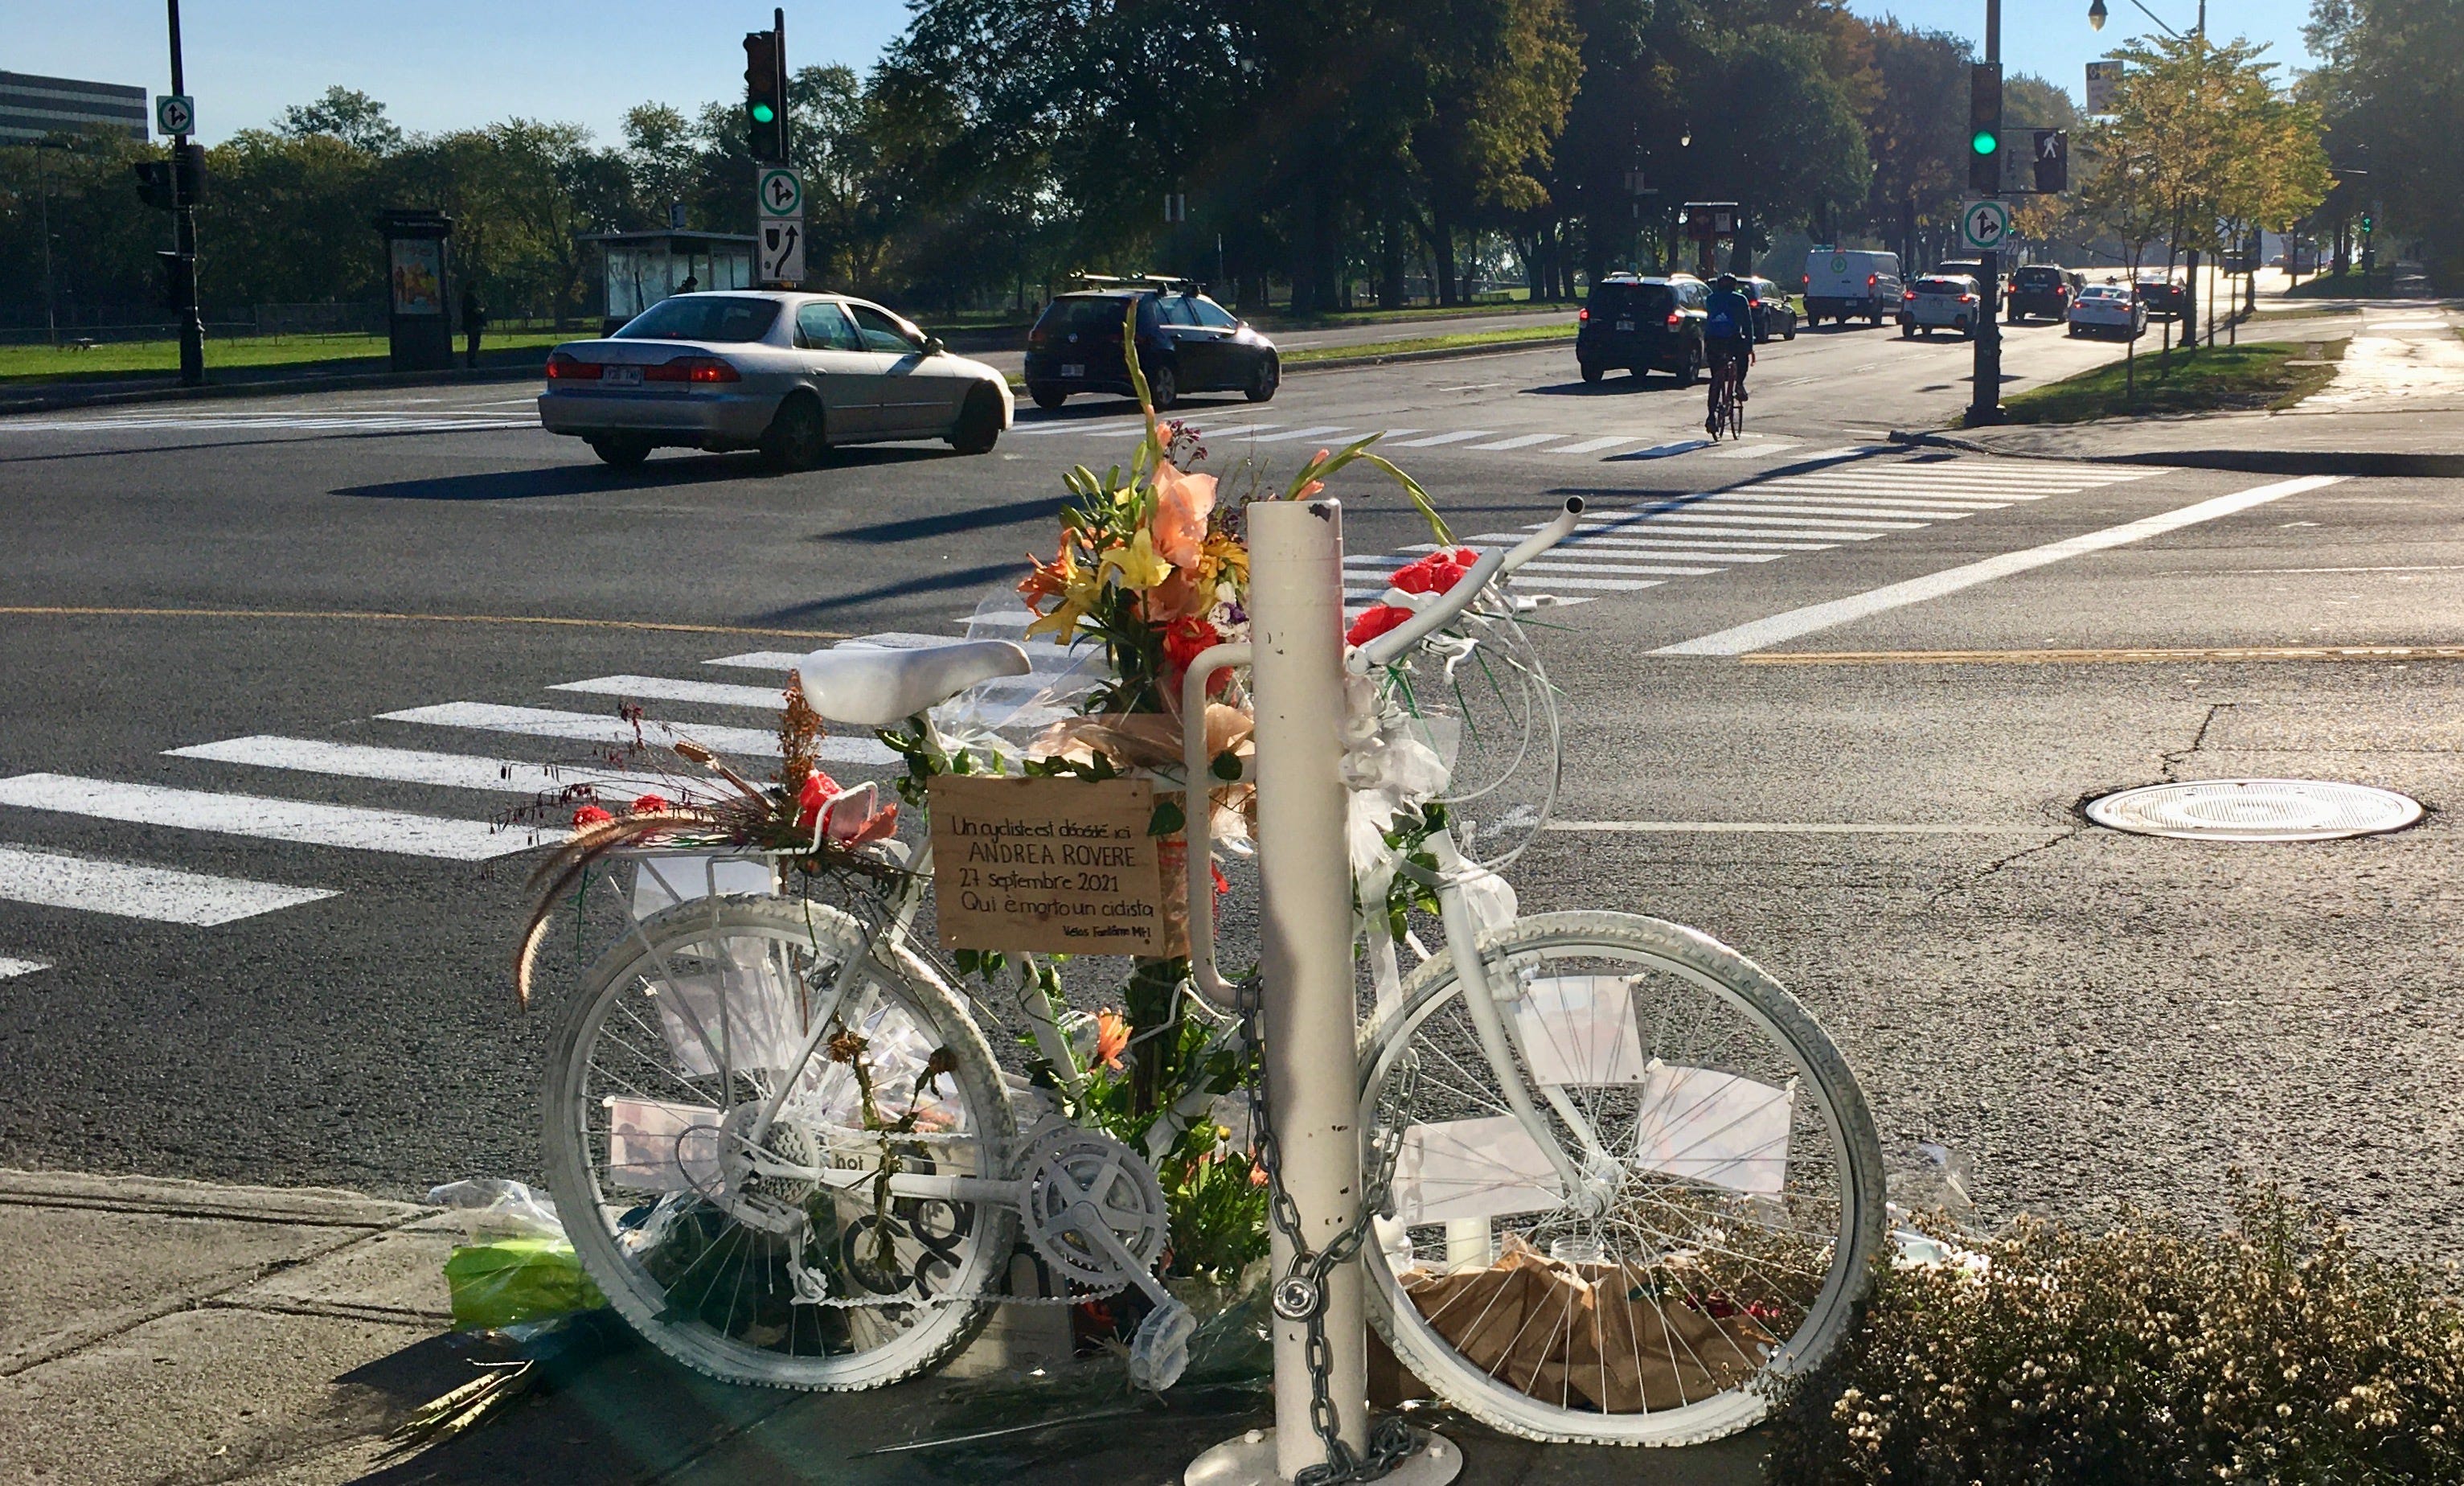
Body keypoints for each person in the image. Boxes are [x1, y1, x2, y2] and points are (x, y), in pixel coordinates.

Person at [1702, 272, 1754, 433]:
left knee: (1715, 378)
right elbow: (1747, 324)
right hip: (1732, 339)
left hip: (1713, 340)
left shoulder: (1711, 299)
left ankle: (1711, 416)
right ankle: (1739, 383)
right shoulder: (1740, 300)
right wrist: (1750, 347)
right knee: (1742, 358)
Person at [459, 284, 487, 369]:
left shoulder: (467, 298)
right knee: (474, 342)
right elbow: (474, 310)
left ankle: (472, 360)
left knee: (473, 342)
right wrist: (481, 311)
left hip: (471, 324)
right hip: (473, 324)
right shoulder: (470, 298)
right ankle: (471, 361)